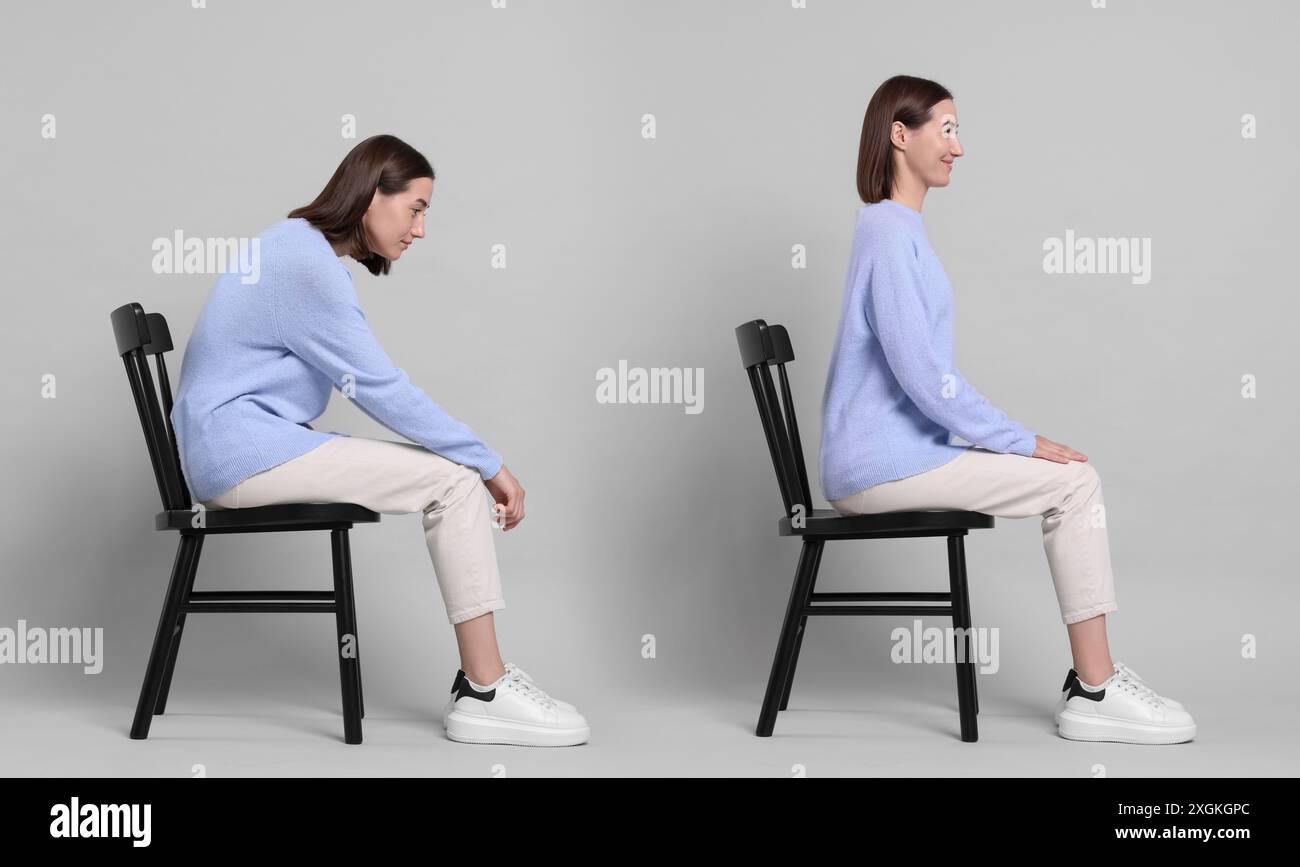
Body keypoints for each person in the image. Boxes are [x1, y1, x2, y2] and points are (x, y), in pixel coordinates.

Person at [170, 134, 589, 747]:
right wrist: (490, 462)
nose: (419, 230)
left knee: (451, 474)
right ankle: (485, 688)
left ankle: (484, 683)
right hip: (240, 456)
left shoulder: (294, 248)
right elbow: (383, 390)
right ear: (372, 194)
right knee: (455, 479)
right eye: (415, 208)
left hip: (236, 449)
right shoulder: (304, 264)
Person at [818, 76, 1194, 744]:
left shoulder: (895, 228)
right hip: (883, 465)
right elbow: (927, 382)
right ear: (900, 136)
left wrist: (1006, 440)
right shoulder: (886, 232)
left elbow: (927, 383)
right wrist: (1020, 440)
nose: (959, 146)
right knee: (1076, 480)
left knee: (1070, 477)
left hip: (894, 456)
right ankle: (1096, 688)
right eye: (947, 128)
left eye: (959, 130)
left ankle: (1094, 682)